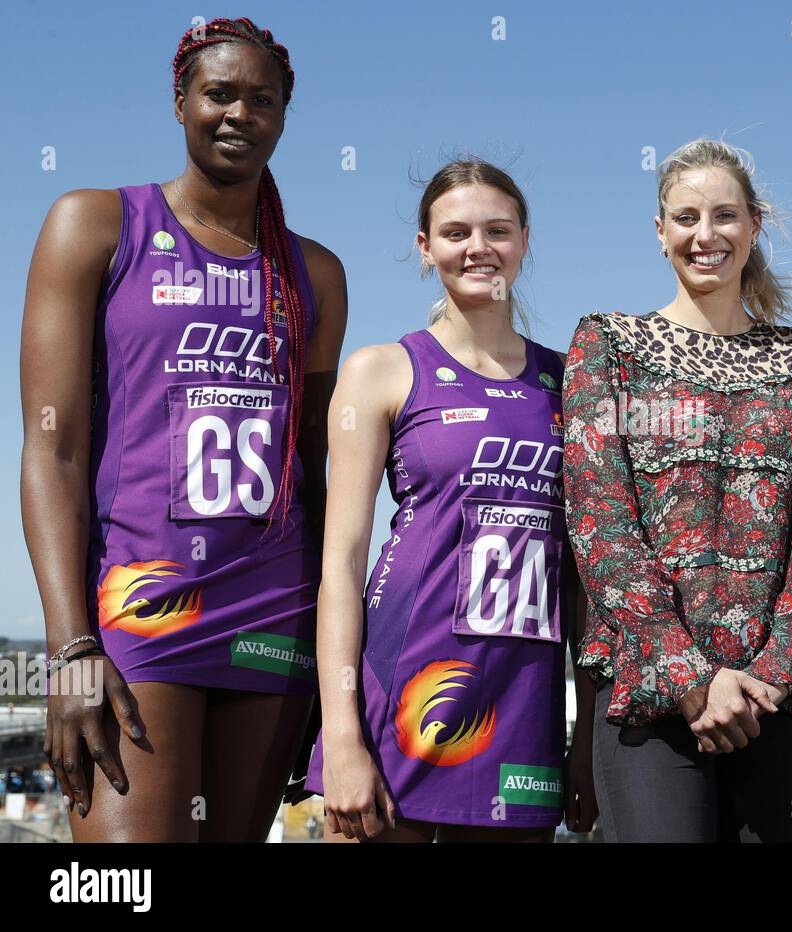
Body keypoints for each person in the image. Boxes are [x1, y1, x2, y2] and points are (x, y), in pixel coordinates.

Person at [19, 18, 347, 842]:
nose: (240, 114)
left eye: (262, 100)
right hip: (139, 607)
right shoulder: (94, 223)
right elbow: (52, 446)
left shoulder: (314, 273)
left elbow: (313, 468)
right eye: (220, 94)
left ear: (283, 114)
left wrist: (334, 656)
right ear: (180, 102)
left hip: (274, 611)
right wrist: (67, 648)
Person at [563, 138, 792, 842]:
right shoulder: (608, 346)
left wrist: (771, 673)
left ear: (754, 227)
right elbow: (601, 526)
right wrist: (690, 676)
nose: (706, 235)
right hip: (650, 695)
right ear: (660, 232)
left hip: (782, 697)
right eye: (686, 217)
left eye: (725, 216)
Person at [307, 160, 592, 842]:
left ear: (525, 239)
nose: (478, 248)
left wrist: (586, 745)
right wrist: (342, 736)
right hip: (400, 682)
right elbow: (342, 564)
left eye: (497, 230)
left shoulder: (574, 379)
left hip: (523, 701)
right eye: (455, 232)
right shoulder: (381, 370)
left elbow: (587, 579)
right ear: (425, 246)